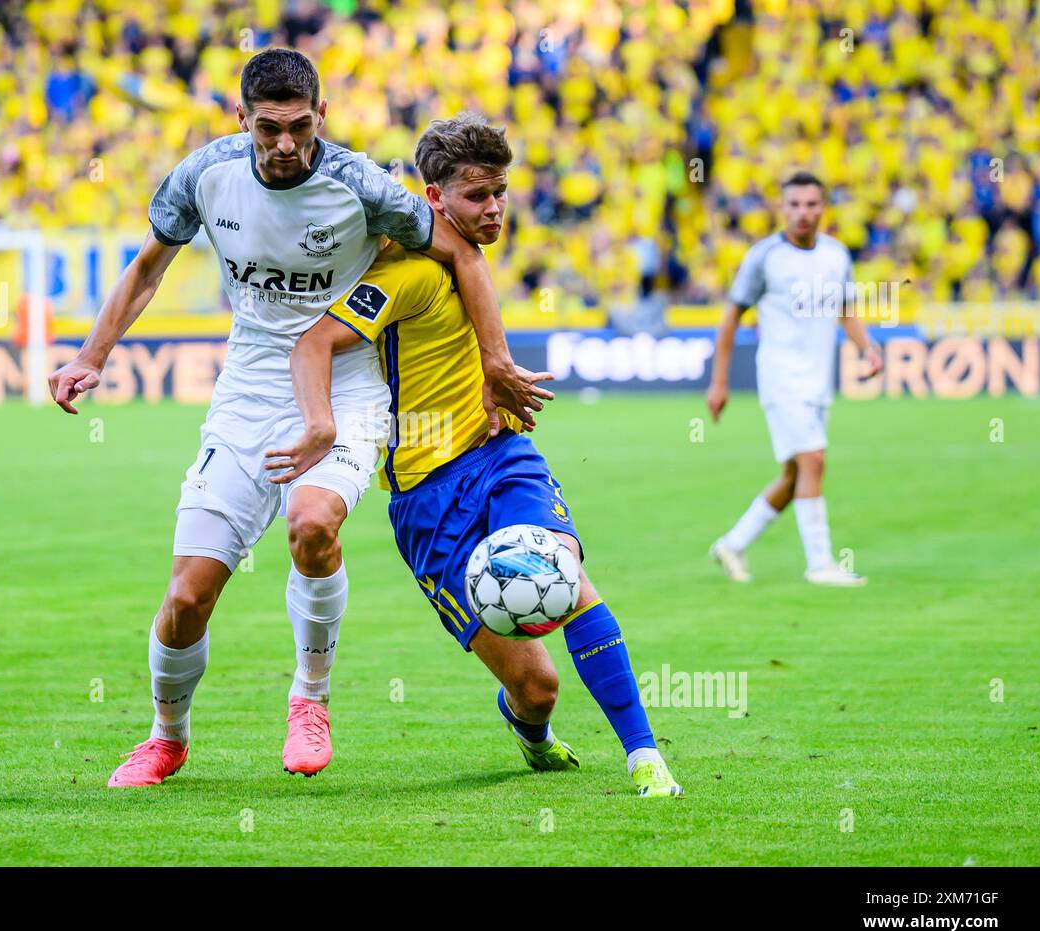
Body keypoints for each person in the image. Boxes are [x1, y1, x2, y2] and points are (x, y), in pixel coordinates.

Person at [47, 51, 547, 786]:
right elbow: (149, 264)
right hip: (248, 390)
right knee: (187, 598)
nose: (287, 145)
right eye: (270, 128)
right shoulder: (203, 176)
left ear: (323, 115)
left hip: (345, 384)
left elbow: (463, 254)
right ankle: (166, 736)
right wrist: (92, 355)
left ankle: (310, 699)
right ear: (240, 117)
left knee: (313, 527)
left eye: (301, 126)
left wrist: (496, 363)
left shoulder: (363, 186)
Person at [268, 114, 683, 797]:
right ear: (433, 199)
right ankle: (532, 732)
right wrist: (320, 425)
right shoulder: (402, 275)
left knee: (565, 575)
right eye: (474, 196)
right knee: (537, 688)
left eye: (500, 193)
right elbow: (312, 344)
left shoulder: (474, 259)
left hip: (500, 456)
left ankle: (644, 756)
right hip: (428, 502)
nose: (492, 209)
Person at [706, 172, 883, 586]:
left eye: (811, 204)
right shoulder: (765, 257)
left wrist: (867, 348)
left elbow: (845, 310)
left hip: (818, 382)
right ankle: (820, 564)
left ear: (824, 208)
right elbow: (731, 318)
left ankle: (732, 544)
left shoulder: (837, 256)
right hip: (781, 378)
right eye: (794, 205)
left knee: (794, 475)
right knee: (814, 460)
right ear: (782, 209)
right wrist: (719, 382)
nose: (803, 213)